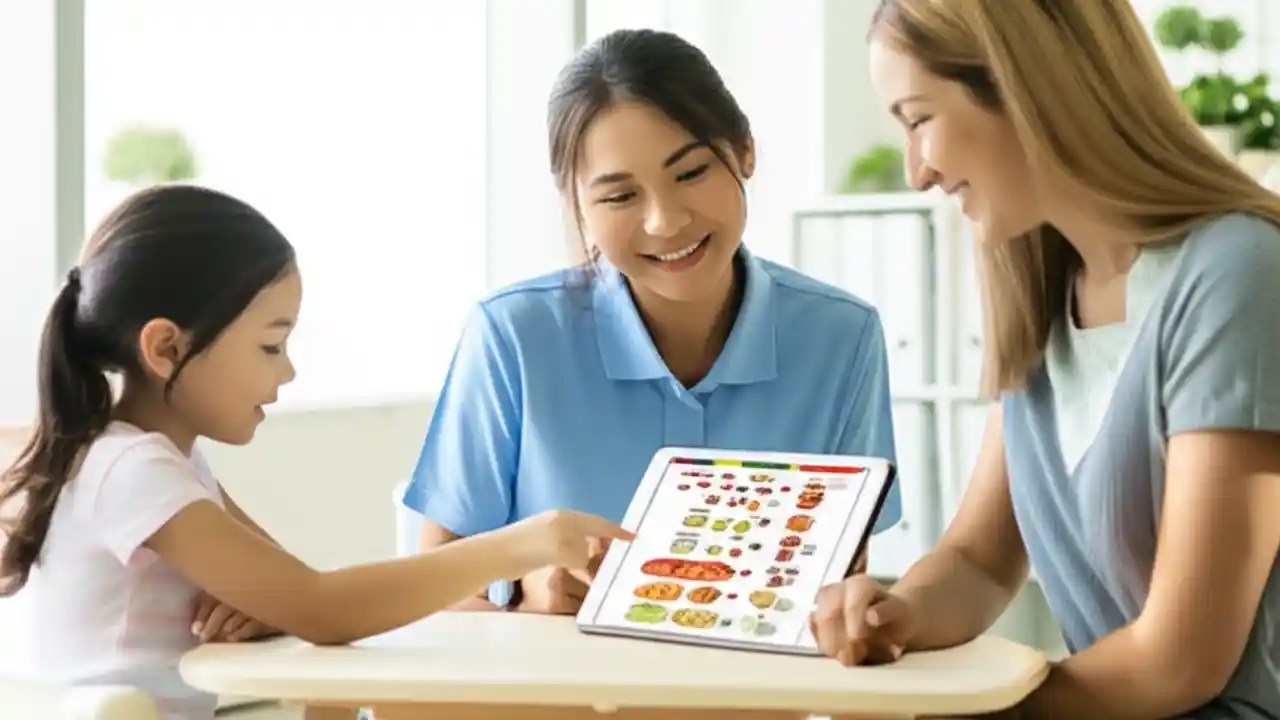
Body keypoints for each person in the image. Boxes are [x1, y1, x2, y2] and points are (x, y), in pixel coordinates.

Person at [0, 185, 630, 720]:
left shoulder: (149, 461)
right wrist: (525, 543)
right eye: (270, 347)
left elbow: (294, 590)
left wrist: (272, 606)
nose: (288, 371)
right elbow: (324, 607)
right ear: (165, 348)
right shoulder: (133, 471)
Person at [809, 2, 1280, 717]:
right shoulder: (1042, 292)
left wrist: (975, 709)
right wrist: (896, 614)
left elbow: (1179, 663)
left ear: (1023, 87)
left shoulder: (1238, 274)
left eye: (919, 119)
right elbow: (978, 562)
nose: (916, 171)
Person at [404, 27, 901, 617]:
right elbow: (428, 596)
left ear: (745, 150)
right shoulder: (512, 336)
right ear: (576, 204)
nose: (665, 222)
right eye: (620, 197)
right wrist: (525, 597)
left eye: (690, 173)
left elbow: (836, 589)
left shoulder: (842, 339)